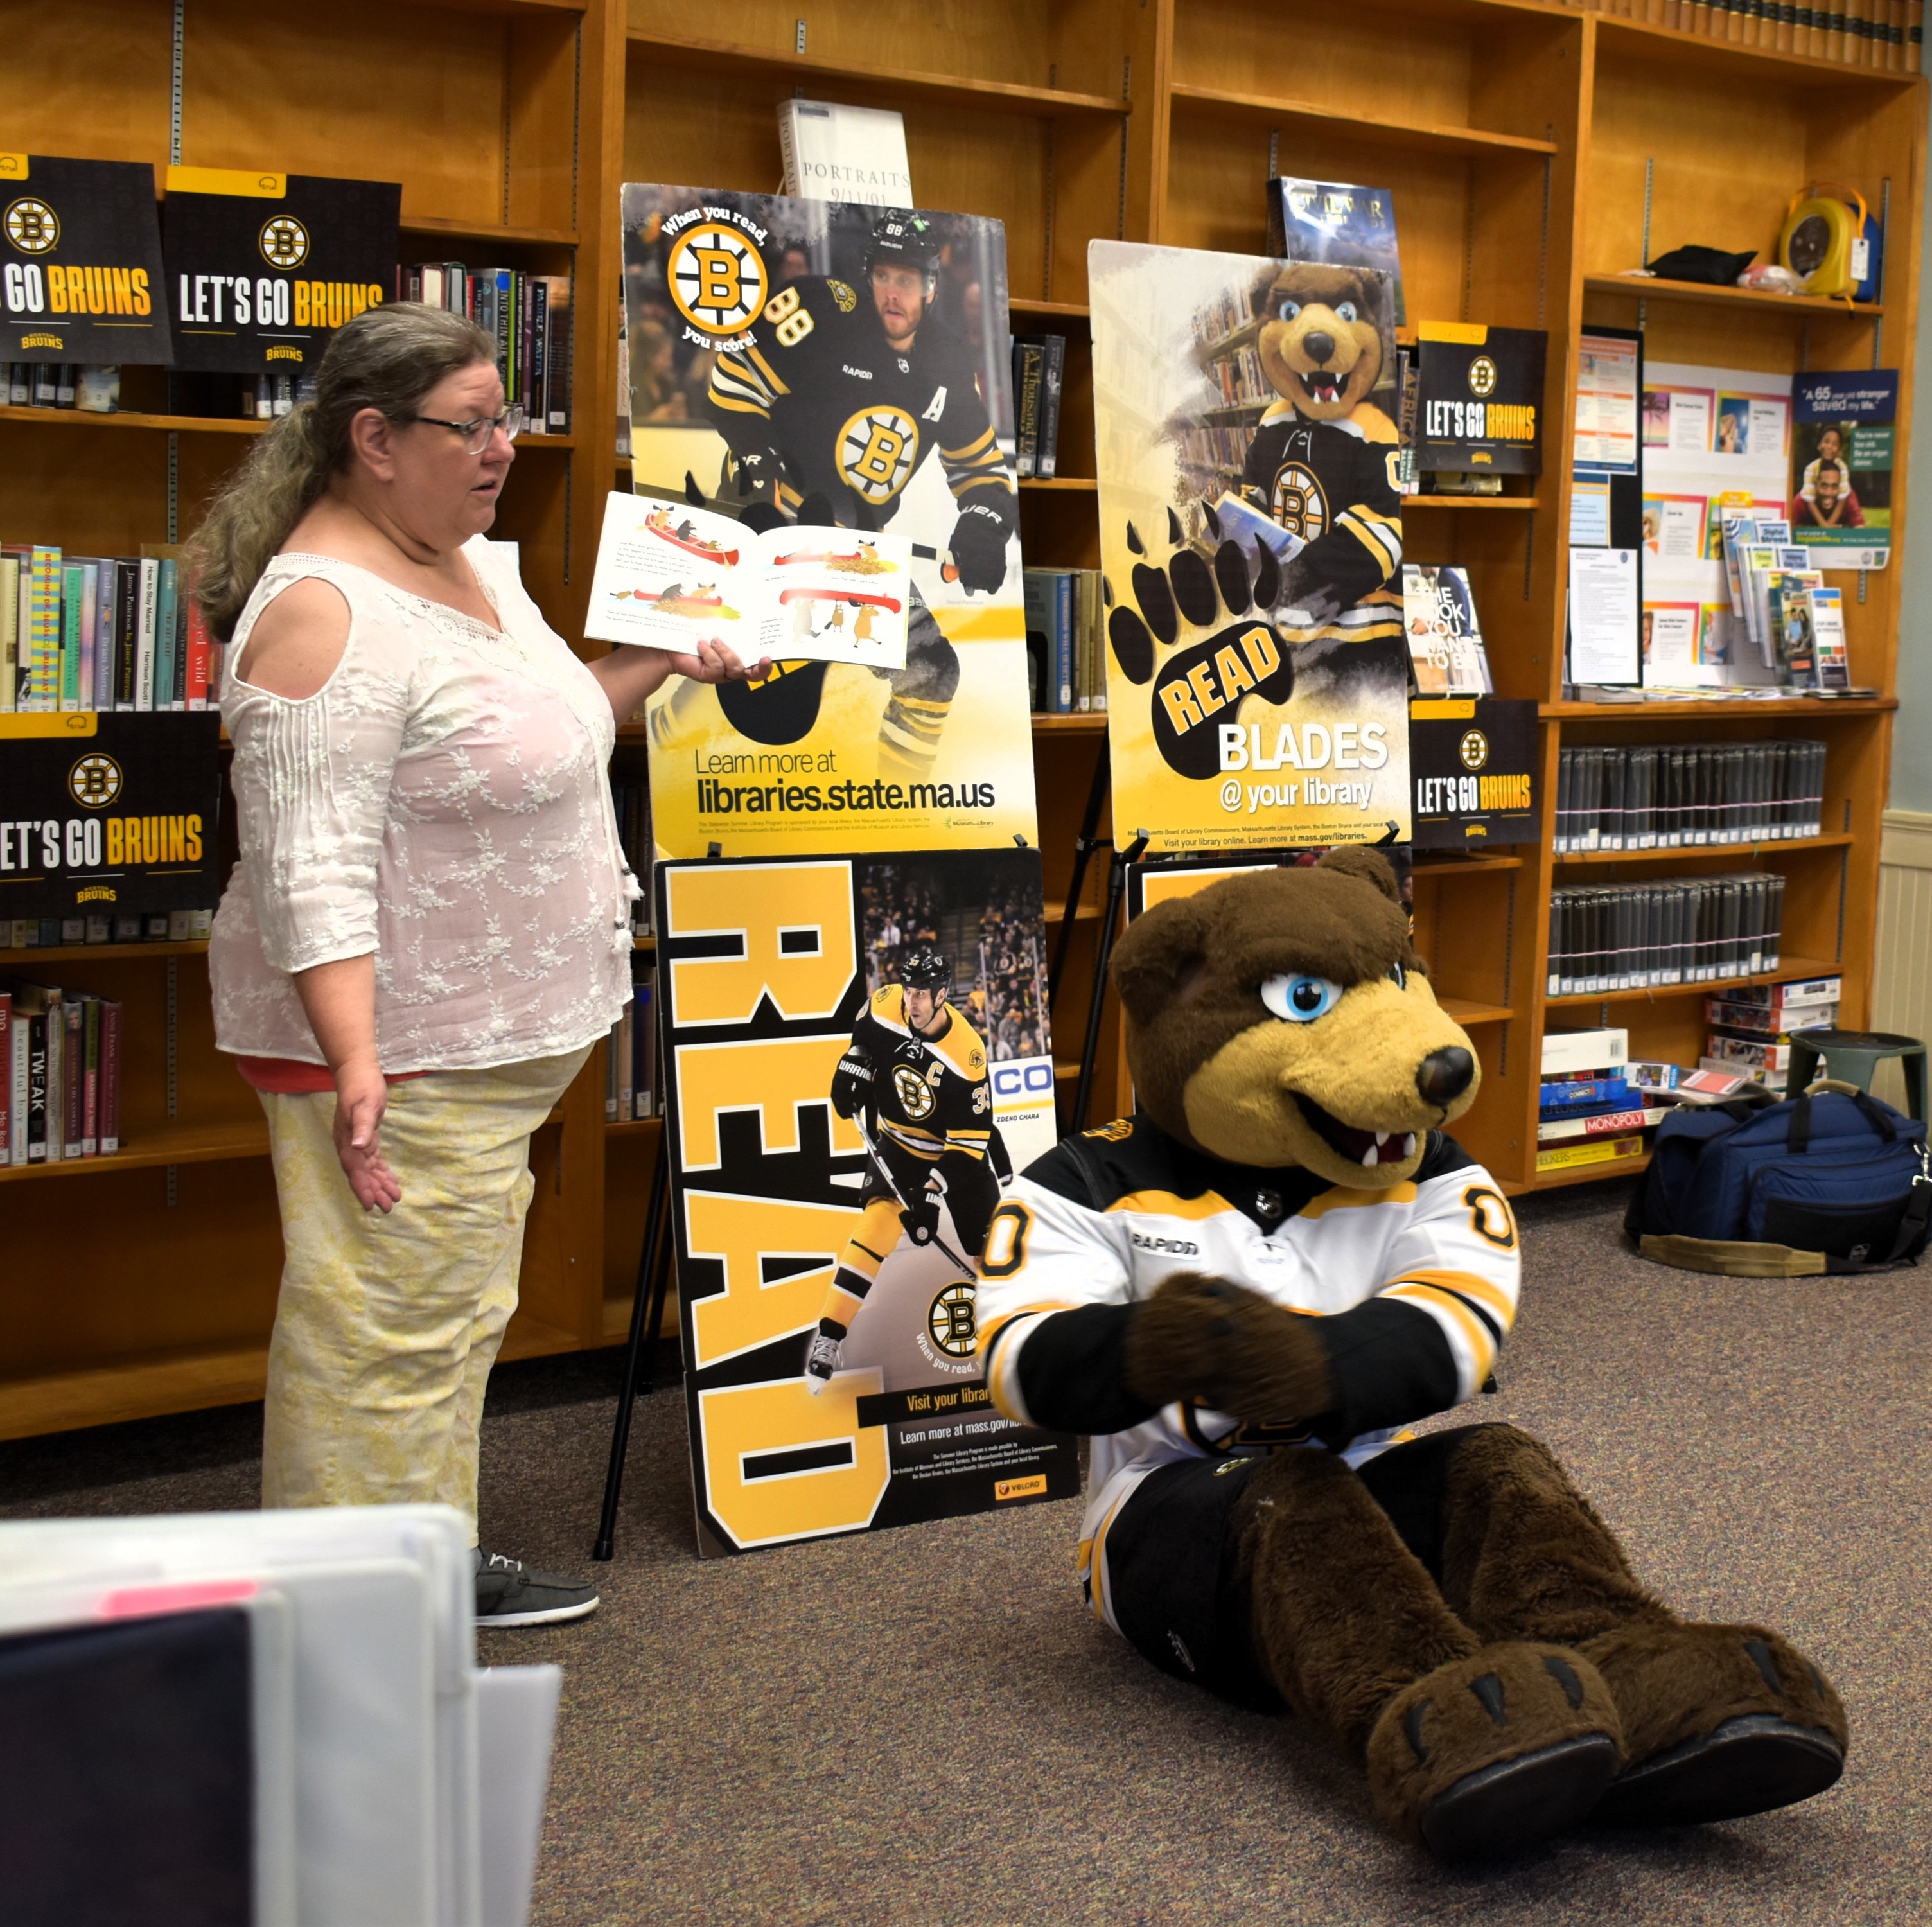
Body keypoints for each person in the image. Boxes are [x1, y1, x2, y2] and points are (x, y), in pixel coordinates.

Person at [188, 303, 764, 1628]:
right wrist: (355, 1061)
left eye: (507, 418)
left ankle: (419, 1558)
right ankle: (351, 1619)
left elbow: (546, 731)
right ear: (374, 439)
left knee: (446, 1322)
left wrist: (657, 661)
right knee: (380, 1340)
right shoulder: (326, 617)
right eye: (473, 425)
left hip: (480, 1052)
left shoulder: (469, 566)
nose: (504, 447)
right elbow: (308, 868)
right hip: (401, 1057)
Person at [688, 210, 1017, 781]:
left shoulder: (948, 361)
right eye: (884, 276)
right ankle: (675, 730)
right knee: (735, 675)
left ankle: (902, 800)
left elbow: (981, 469)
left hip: (852, 551)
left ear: (931, 287)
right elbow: (733, 386)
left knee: (933, 675)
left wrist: (984, 526)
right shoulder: (822, 313)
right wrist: (761, 478)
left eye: (907, 280)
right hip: (769, 526)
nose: (892, 293)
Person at [806, 948, 1006, 1391]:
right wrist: (852, 1066)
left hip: (954, 1155)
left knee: (992, 1250)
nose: (911, 1002)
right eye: (909, 991)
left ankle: (1016, 1330)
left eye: (921, 994)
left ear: (941, 996)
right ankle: (830, 1336)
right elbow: (862, 1041)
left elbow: (970, 1141)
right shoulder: (883, 1005)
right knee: (874, 1229)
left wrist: (932, 1192)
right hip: (898, 1145)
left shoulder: (968, 1054)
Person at [1793, 457, 1864, 527]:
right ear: (1815, 485)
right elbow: (1787, 529)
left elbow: (1860, 530)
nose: (1828, 493)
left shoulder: (1849, 499)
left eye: (1834, 487)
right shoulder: (1801, 501)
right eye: (1824, 486)